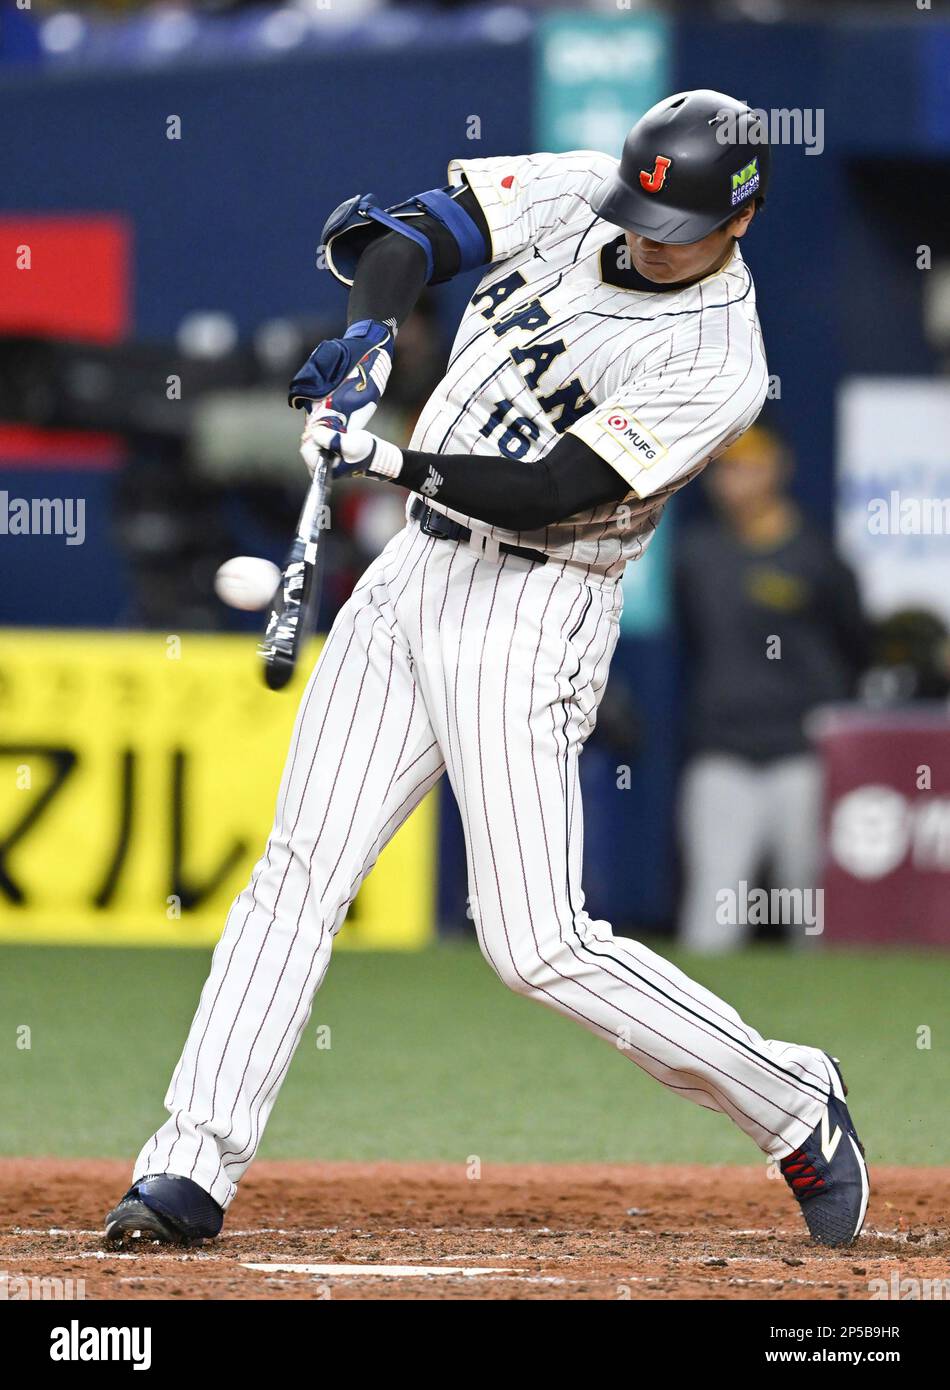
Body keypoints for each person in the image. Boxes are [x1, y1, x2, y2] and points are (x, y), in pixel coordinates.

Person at [105, 90, 868, 1251]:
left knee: (534, 942)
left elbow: (557, 490)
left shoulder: (716, 360)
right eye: (640, 214)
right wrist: (369, 335)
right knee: (298, 873)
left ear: (739, 221)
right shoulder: (577, 194)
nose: (645, 241)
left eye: (679, 229)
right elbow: (406, 238)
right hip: (416, 573)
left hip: (537, 598)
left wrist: (381, 453)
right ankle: (187, 1168)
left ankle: (792, 1098)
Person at [675, 425, 868, 951]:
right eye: (724, 467)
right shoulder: (697, 554)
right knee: (713, 911)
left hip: (801, 754)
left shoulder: (815, 557)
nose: (732, 480)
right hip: (721, 750)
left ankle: (830, 1028)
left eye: (746, 465)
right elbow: (687, 643)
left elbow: (855, 645)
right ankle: (696, 1031)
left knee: (812, 913)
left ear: (777, 468)